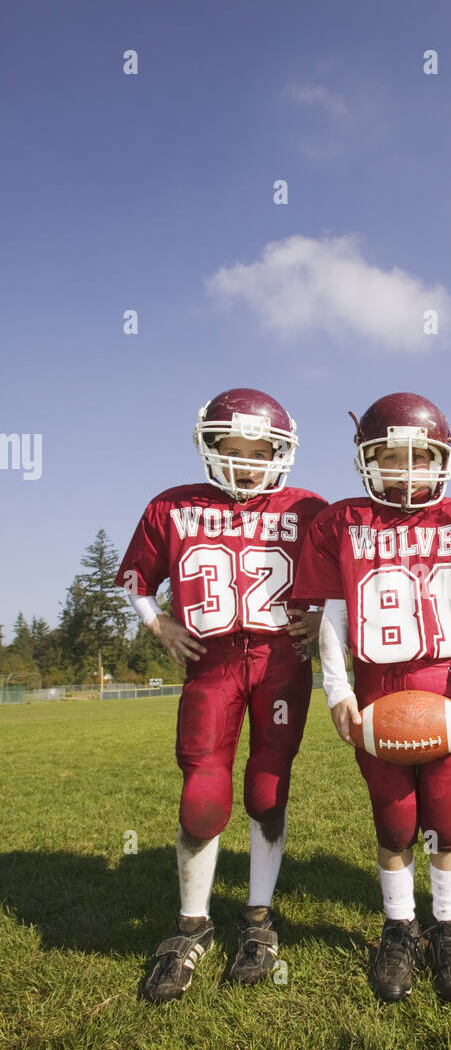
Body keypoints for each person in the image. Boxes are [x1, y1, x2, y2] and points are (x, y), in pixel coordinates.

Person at [293, 392, 451, 1002]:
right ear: (366, 461)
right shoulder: (342, 522)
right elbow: (334, 615)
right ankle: (398, 925)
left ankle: (449, 924)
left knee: (446, 815)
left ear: (442, 460)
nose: (405, 471)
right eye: (390, 458)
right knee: (393, 820)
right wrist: (335, 690)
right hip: (375, 687)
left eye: (419, 458)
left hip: (442, 683)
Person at [116, 388, 326, 1002]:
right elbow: (137, 579)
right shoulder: (173, 506)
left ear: (280, 453)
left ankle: (258, 919)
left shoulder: (308, 508)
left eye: (258, 452)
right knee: (202, 797)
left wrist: (321, 617)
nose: (243, 463)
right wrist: (158, 625)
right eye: (230, 449)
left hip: (281, 661)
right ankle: (190, 925)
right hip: (210, 662)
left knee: (266, 788)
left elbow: (342, 582)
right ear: (208, 448)